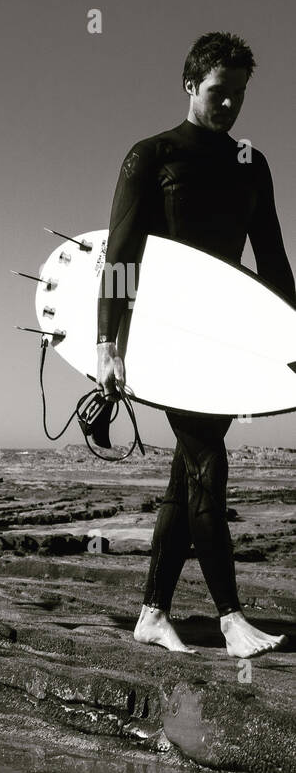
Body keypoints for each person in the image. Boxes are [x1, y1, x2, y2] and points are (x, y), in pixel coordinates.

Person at [97, 32, 294, 658]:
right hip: (163, 335)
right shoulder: (151, 155)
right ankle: (232, 619)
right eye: (218, 92)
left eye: (239, 95)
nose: (230, 106)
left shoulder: (250, 163)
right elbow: (121, 255)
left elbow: (273, 261)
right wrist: (108, 342)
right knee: (210, 462)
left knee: (189, 477)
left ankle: (152, 611)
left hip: (224, 341)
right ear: (190, 85)